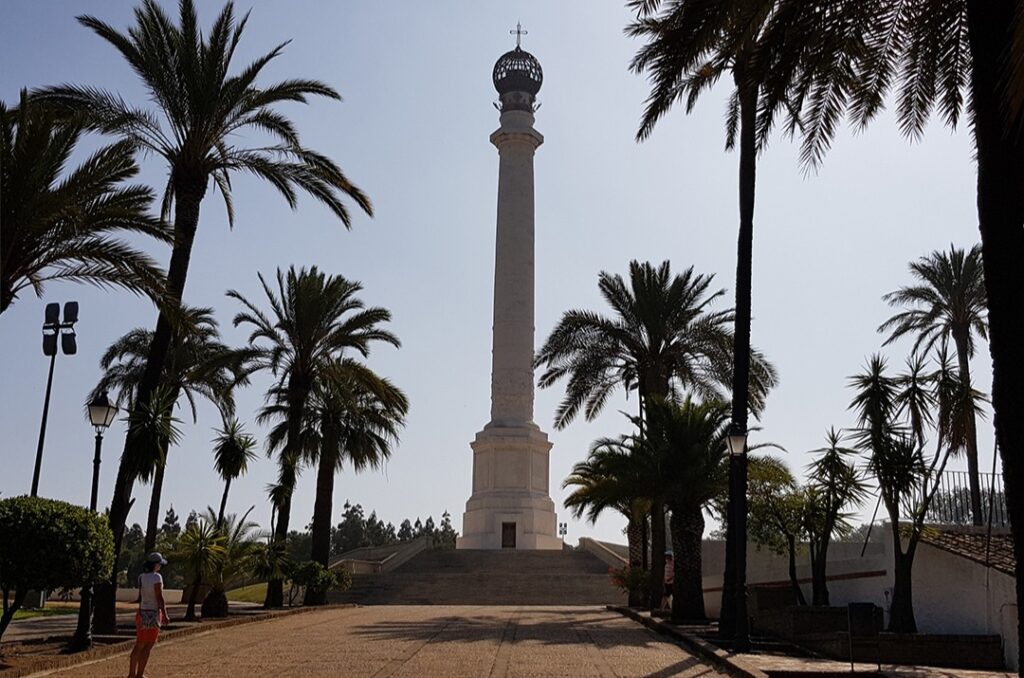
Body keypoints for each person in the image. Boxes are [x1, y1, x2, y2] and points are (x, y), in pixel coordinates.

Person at [128, 552, 169, 678]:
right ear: (155, 565)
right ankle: (139, 674)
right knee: (148, 644)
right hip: (153, 612)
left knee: (139, 643)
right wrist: (165, 614)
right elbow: (159, 597)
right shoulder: (157, 577)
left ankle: (131, 673)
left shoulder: (141, 577)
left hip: (142, 612)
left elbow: (141, 596)